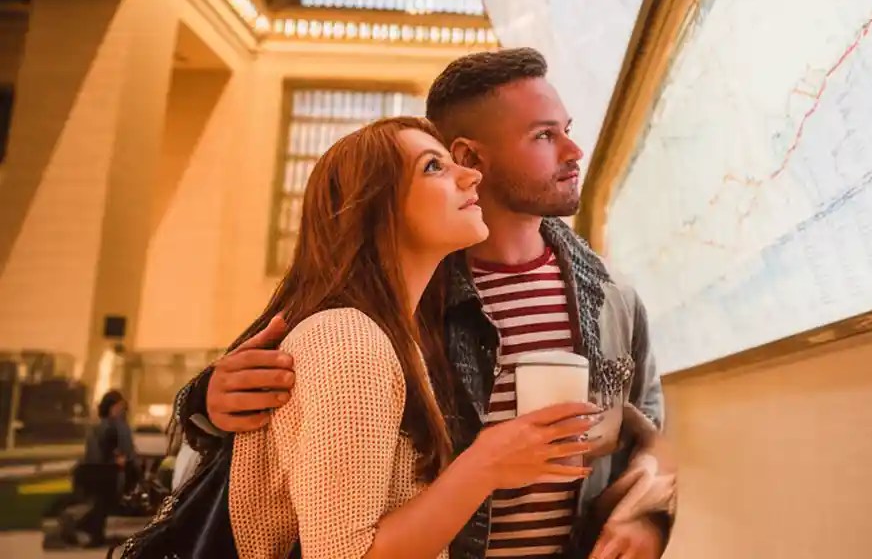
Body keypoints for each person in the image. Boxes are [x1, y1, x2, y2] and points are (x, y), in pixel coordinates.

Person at [177, 50, 676, 558]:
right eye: (544, 135)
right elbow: (278, 478)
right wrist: (209, 402)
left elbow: (650, 434)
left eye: (565, 128)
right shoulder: (388, 306)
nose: (574, 150)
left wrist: (647, 513)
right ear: (474, 157)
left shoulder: (612, 297)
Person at [221, 116, 599, 558]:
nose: (471, 174)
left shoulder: (388, 334)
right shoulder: (349, 340)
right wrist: (486, 464)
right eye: (433, 167)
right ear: (375, 209)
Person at [76, 389, 136, 547]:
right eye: (118, 407)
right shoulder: (111, 426)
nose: (120, 410)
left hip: (104, 470)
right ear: (111, 407)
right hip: (105, 471)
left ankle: (93, 532)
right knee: (104, 502)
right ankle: (88, 528)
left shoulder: (105, 425)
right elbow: (120, 450)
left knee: (102, 504)